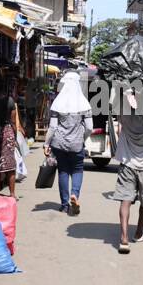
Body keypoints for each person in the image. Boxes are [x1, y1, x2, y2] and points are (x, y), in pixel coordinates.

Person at [112, 85, 143, 254]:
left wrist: (122, 88)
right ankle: (139, 233)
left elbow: (118, 99)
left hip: (127, 162)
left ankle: (124, 238)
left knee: (125, 200)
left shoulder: (125, 115)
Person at [43, 72, 93, 216]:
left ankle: (64, 205)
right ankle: (74, 195)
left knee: (63, 171)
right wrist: (82, 138)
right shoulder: (84, 104)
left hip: (59, 144)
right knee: (77, 170)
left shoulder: (57, 103)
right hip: (77, 144)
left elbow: (52, 127)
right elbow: (89, 127)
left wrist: (46, 143)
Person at [0, 81, 18, 199]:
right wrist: (15, 136)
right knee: (10, 165)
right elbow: (13, 120)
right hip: (8, 132)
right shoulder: (10, 101)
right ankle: (12, 193)